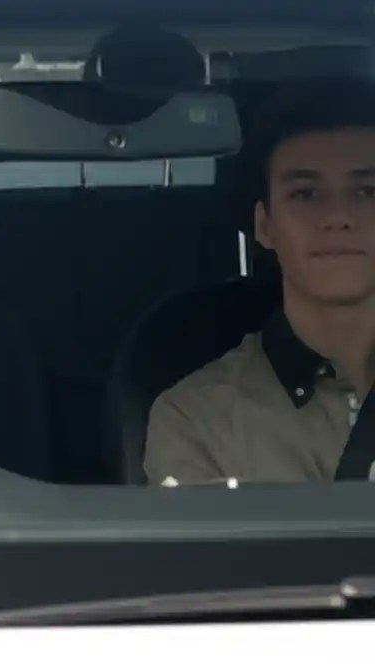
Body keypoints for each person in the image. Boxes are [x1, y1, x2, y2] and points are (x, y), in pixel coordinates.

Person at [144, 78, 375, 485]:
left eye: (367, 191)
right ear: (265, 225)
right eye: (305, 194)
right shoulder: (199, 419)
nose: (338, 216)